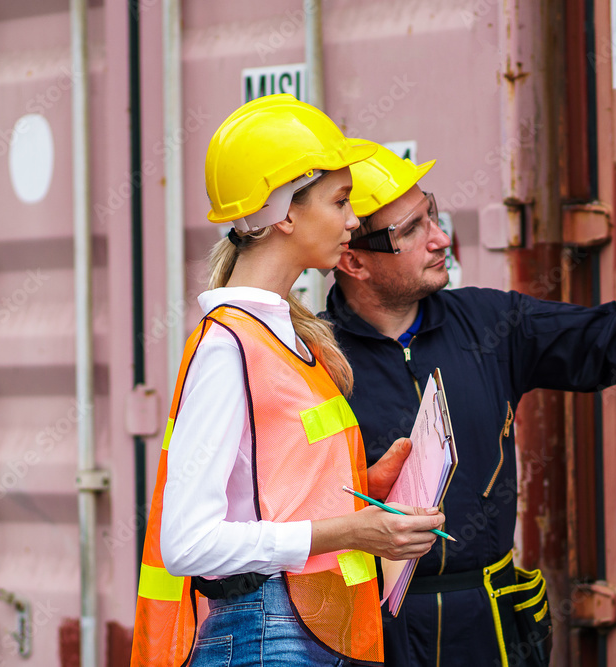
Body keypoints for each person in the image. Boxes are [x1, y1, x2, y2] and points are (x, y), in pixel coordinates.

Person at [322, 142, 616, 666]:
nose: (440, 238)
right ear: (354, 260)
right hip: (375, 636)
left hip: (490, 633)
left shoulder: (491, 325)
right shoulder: (314, 360)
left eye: (433, 213)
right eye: (412, 230)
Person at [131, 97, 446, 667]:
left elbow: (265, 493)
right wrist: (349, 529)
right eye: (341, 200)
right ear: (284, 214)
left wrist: (370, 488)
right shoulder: (228, 347)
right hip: (265, 634)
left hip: (301, 627)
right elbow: (188, 543)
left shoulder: (285, 337)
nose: (354, 220)